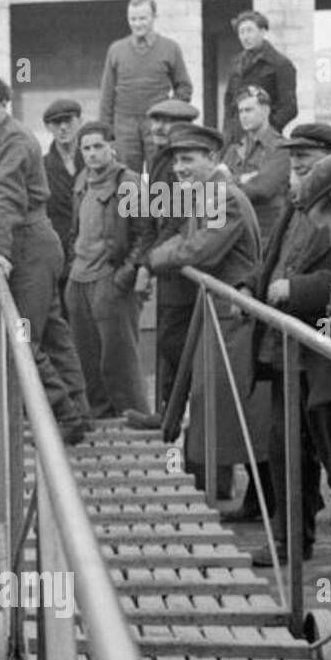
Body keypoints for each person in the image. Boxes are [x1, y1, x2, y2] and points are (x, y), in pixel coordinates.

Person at [250, 124, 331, 577]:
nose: (297, 164)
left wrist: (296, 288)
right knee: (286, 449)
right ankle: (289, 538)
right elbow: (276, 261)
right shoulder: (296, 206)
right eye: (294, 157)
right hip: (288, 347)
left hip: (328, 352)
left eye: (308, 157)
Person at [0, 74, 90, 442]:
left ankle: (64, 418)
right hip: (26, 243)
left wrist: (0, 253)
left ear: (4, 105)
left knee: (20, 338)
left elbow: (6, 200)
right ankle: (78, 413)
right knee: (51, 333)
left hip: (28, 245)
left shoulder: (14, 141)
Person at [147, 125, 264, 500]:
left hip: (233, 320)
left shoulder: (222, 197)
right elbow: (189, 241)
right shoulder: (207, 195)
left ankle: (264, 505)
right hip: (219, 317)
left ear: (212, 159)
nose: (179, 168)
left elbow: (198, 250)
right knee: (226, 413)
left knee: (240, 415)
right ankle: (243, 498)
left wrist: (154, 259)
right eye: (176, 160)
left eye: (188, 159)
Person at [125, 97, 202, 431]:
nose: (156, 128)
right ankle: (167, 416)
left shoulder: (179, 164)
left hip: (181, 264)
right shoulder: (159, 160)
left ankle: (176, 418)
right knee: (169, 341)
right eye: (154, 120)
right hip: (166, 259)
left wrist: (147, 265)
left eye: (166, 122)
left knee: (176, 340)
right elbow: (157, 219)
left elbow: (175, 222)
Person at [64, 121, 150, 418]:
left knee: (119, 358)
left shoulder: (128, 182)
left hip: (110, 278)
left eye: (98, 146)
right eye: (86, 148)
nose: (92, 154)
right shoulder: (81, 181)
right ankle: (100, 416)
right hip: (79, 279)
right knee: (86, 355)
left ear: (112, 147)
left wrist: (126, 274)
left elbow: (143, 233)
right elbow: (75, 230)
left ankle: (133, 417)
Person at [98, 0, 194, 172]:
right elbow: (107, 94)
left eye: (142, 18)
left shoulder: (170, 48)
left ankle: (161, 200)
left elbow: (184, 87)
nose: (137, 24)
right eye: (132, 19)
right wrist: (105, 130)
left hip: (157, 126)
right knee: (126, 178)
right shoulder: (116, 50)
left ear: (154, 17)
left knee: (160, 173)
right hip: (124, 126)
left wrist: (169, 116)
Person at [223, 85, 291, 246]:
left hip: (265, 236)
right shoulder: (235, 149)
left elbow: (262, 188)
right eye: (241, 111)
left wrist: (231, 181)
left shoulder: (281, 148)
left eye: (249, 110)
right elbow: (215, 185)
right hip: (233, 234)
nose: (243, 116)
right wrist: (243, 179)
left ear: (266, 111)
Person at [222, 10, 297, 147]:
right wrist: (227, 133)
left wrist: (265, 130)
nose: (245, 36)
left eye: (250, 30)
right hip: (235, 140)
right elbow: (229, 104)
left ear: (262, 32)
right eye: (241, 32)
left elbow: (290, 108)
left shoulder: (280, 64)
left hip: (265, 142)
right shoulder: (236, 64)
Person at [42, 98, 84, 301]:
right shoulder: (41, 167)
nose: (64, 127)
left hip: (93, 254)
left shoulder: (95, 161)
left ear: (79, 121)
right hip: (59, 253)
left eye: (69, 120)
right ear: (49, 127)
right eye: (57, 123)